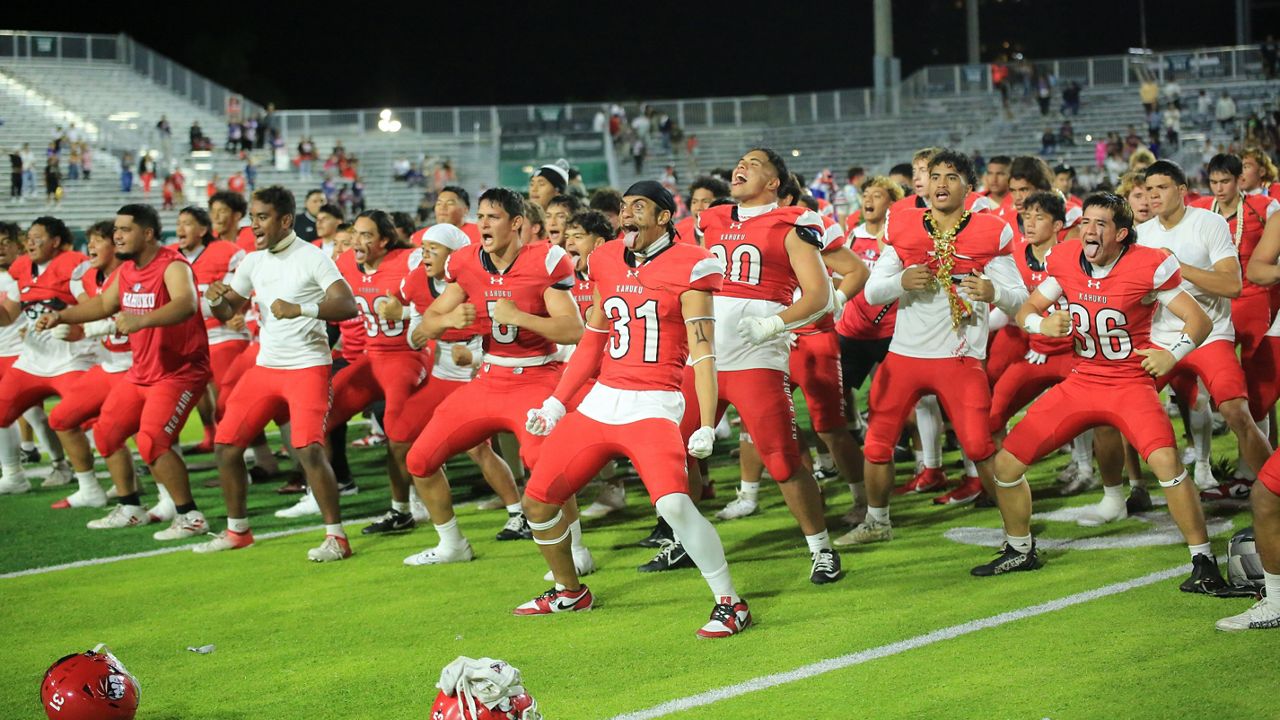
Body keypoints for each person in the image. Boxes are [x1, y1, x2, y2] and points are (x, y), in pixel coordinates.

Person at [517, 180, 751, 638]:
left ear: (664, 216)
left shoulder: (691, 264)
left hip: (654, 403)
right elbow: (593, 338)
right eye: (624, 206)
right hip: (603, 400)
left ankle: (730, 602)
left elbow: (703, 351)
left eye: (639, 206)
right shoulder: (604, 258)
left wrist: (706, 423)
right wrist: (557, 402)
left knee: (675, 505)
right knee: (537, 501)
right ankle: (569, 591)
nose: (627, 213)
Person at [973, 192, 1229, 598]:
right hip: (1082, 380)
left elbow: (1198, 320)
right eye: (1087, 222)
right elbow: (1026, 311)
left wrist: (1172, 354)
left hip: (1129, 383)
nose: (1090, 231)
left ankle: (1204, 561)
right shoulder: (1065, 258)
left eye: (1101, 224)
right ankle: (1019, 549)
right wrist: (1040, 325)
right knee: (1006, 466)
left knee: (1167, 464)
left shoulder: (1146, 264)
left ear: (1121, 233)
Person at [839, 150, 1027, 546]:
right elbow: (871, 292)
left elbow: (1020, 299)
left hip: (959, 357)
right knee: (876, 444)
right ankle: (877, 522)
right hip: (905, 354)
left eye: (952, 176)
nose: (941, 183)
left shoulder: (990, 230)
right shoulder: (904, 224)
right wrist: (901, 281)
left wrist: (993, 291)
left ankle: (1018, 538)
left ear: (969, 187)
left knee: (980, 446)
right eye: (936, 175)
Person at [400, 188, 582, 566]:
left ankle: (577, 550)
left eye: (493, 217)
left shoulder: (545, 259)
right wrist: (449, 319)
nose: (483, 223)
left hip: (536, 376)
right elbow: (429, 322)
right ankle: (452, 544)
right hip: (488, 379)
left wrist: (520, 318)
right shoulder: (466, 262)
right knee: (420, 459)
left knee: (544, 464)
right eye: (480, 216)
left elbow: (573, 329)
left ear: (516, 223)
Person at [697, 148, 844, 583]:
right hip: (703, 355)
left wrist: (773, 324)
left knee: (781, 459)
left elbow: (820, 296)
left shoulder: (793, 222)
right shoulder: (712, 219)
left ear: (774, 182)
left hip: (755, 356)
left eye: (755, 163)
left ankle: (822, 548)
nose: (741, 166)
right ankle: (679, 539)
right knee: (670, 450)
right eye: (740, 161)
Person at [196, 187, 359, 561]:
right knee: (226, 446)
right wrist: (216, 299)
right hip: (267, 367)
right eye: (252, 217)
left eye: (262, 217)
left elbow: (347, 304)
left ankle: (337, 538)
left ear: (285, 220)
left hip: (308, 366)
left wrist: (302, 309)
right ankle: (238, 531)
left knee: (308, 450)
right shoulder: (253, 261)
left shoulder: (312, 256)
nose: (254, 225)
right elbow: (228, 311)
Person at [36, 205, 213, 541]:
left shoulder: (172, 264)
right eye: (115, 230)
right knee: (106, 433)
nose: (117, 235)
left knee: (152, 442)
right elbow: (104, 305)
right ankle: (130, 507)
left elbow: (186, 303)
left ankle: (190, 516)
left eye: (125, 229)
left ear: (147, 233)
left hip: (179, 372)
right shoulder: (127, 270)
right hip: (142, 371)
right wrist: (62, 316)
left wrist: (141, 320)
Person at [1139, 161, 1273, 489]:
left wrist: (1176, 266)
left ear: (1182, 190)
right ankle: (1128, 489)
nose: (1153, 195)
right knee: (1116, 405)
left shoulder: (1209, 223)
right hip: (1161, 338)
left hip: (1210, 336)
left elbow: (1233, 285)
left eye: (1162, 187)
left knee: (1237, 411)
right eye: (1149, 189)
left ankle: (1272, 489)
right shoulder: (1141, 234)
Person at [0, 218, 97, 501]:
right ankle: (13, 476)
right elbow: (8, 316)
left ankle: (94, 485)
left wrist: (76, 326)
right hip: (33, 360)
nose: (30, 242)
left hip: (71, 358)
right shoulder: (21, 269)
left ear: (55, 241)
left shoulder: (73, 265)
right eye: (28, 237)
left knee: (91, 420)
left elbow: (96, 305)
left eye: (37, 237)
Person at [674, 177, 730, 246]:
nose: (698, 207)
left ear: (720, 204)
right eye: (694, 202)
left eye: (705, 201)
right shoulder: (678, 233)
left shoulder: (732, 234)